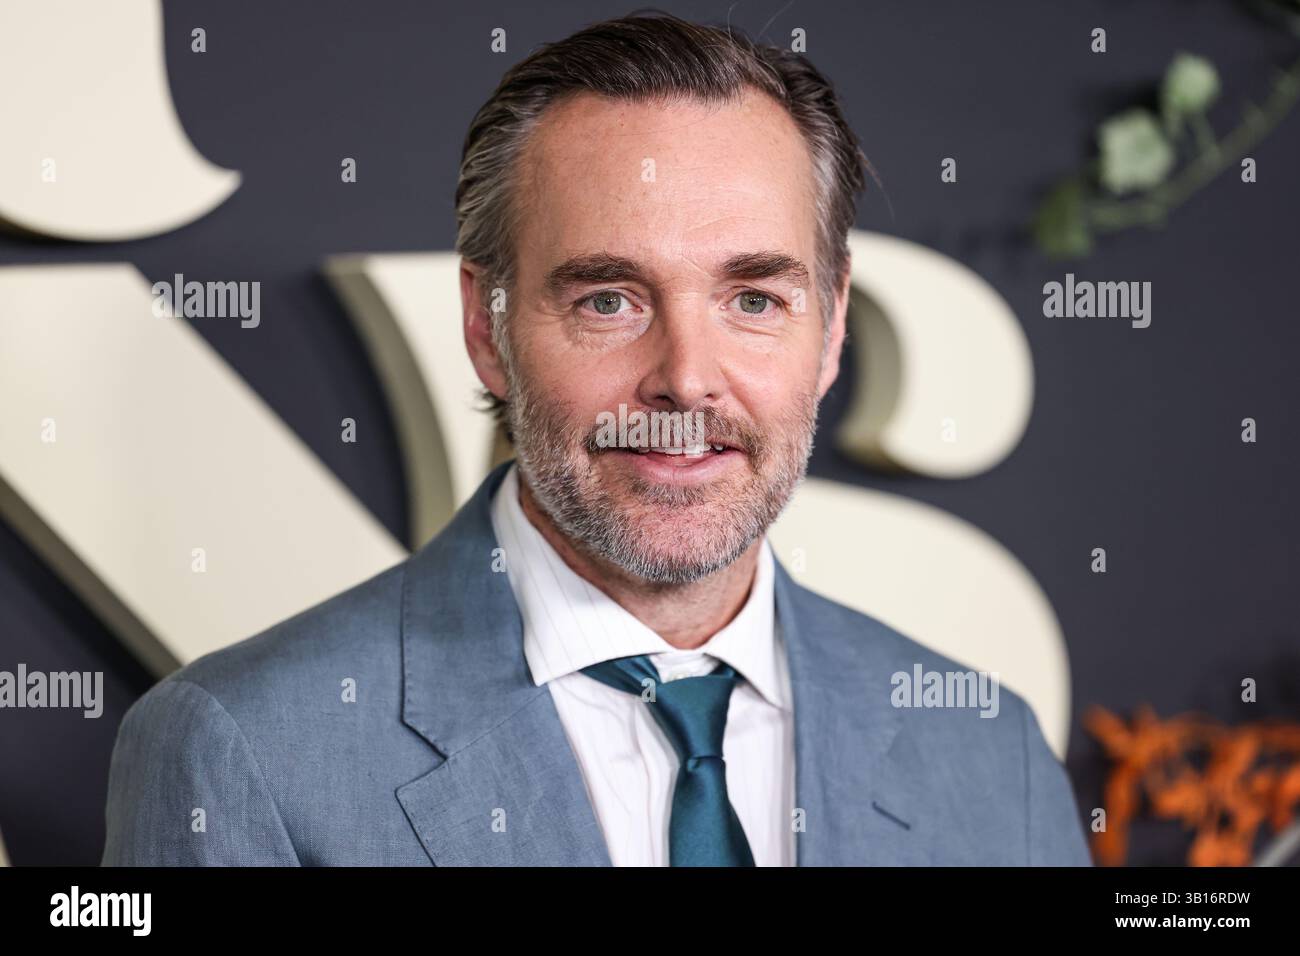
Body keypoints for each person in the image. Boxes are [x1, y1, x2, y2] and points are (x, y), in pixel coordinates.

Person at [102, 12, 1091, 866]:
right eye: (609, 298)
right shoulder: (241, 750)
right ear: (487, 327)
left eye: (753, 297)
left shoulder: (986, 749)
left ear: (831, 329)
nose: (686, 375)